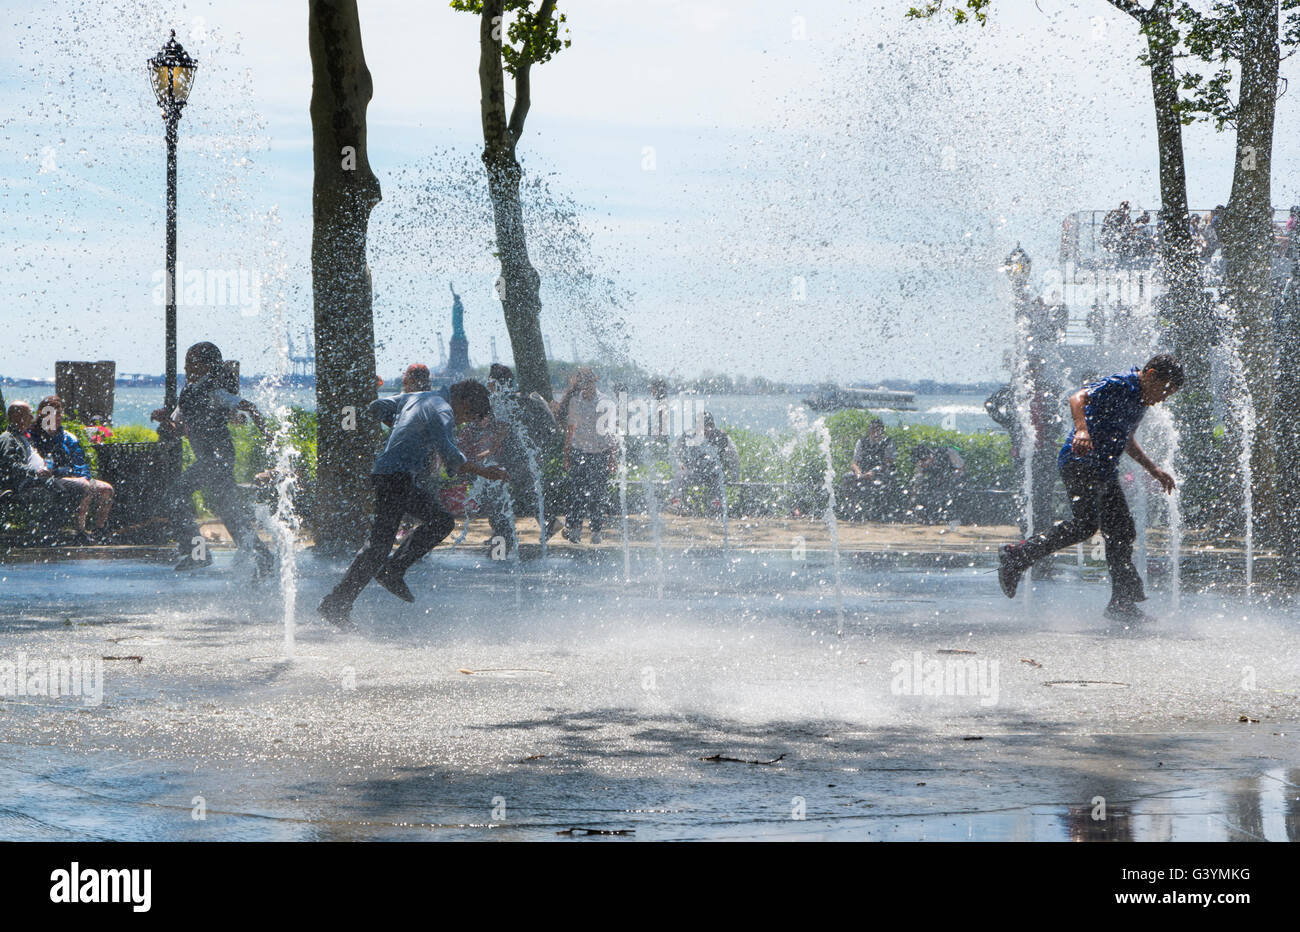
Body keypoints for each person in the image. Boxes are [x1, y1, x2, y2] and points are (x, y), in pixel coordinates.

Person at [997, 354, 1183, 622]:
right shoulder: (1122, 383)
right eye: (1164, 390)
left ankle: (1122, 603)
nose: (1163, 398)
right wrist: (1081, 430)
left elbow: (1126, 437)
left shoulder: (1139, 400)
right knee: (1086, 525)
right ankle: (1016, 555)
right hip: (1080, 461)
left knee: (1121, 531)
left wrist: (1152, 468)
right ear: (1151, 374)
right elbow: (1077, 397)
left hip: (1103, 469)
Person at [317, 372, 508, 627]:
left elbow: (377, 407)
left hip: (389, 474)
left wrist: (402, 427)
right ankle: (374, 580)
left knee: (387, 542)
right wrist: (485, 471)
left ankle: (343, 599)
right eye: (469, 417)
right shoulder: (443, 410)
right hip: (396, 477)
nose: (463, 422)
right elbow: (450, 453)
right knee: (427, 527)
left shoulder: (417, 397)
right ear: (463, 403)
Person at [151, 342, 274, 574]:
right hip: (211, 459)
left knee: (176, 495)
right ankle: (263, 556)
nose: (186, 366)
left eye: (191, 361)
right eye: (186, 361)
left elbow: (249, 407)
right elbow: (179, 428)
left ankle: (199, 554)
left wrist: (268, 435)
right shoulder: (188, 392)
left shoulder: (214, 391)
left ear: (206, 366)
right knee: (228, 511)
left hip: (217, 459)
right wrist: (164, 420)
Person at [483, 363, 561, 550]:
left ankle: (502, 534)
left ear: (495, 382)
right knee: (525, 492)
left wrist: (489, 450)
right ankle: (548, 522)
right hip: (524, 454)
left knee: (496, 491)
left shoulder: (502, 399)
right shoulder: (519, 397)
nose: (488, 384)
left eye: (490, 381)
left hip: (513, 456)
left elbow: (503, 427)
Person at [31, 395, 114, 544]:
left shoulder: (69, 438)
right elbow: (39, 462)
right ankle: (80, 531)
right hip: (53, 479)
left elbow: (80, 463)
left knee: (107, 489)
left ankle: (99, 529)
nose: (58, 418)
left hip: (75, 477)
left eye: (59, 414)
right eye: (53, 415)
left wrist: (83, 476)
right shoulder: (35, 437)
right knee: (85, 487)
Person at [1, 402, 81, 524]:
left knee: (77, 488)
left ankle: (49, 527)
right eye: (29, 414)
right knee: (62, 491)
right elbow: (10, 465)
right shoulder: (8, 438)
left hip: (38, 478)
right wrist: (36, 472)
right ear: (17, 416)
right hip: (23, 484)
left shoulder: (23, 436)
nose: (32, 418)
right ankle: (48, 528)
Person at [562, 367, 615, 544]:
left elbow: (610, 432)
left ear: (594, 381)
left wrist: (612, 457)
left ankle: (596, 530)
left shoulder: (605, 401)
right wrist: (567, 454)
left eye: (588, 382)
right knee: (577, 493)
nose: (586, 385)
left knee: (597, 493)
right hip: (579, 451)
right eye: (583, 382)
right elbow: (571, 429)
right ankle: (575, 529)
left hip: (600, 452)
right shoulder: (575, 402)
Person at [670, 411, 739, 515]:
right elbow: (673, 451)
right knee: (680, 475)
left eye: (708, 427)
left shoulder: (721, 437)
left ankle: (715, 505)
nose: (705, 431)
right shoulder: (688, 436)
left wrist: (734, 475)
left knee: (717, 476)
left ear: (713, 426)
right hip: (693, 472)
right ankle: (676, 503)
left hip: (713, 473)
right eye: (702, 428)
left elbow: (734, 457)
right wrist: (679, 464)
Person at [842, 418, 897, 521]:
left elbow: (888, 462)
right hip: (863, 472)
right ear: (869, 431)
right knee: (847, 477)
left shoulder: (888, 442)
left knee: (882, 482)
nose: (875, 433)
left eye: (878, 430)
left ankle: (879, 513)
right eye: (873, 430)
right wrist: (858, 472)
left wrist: (874, 472)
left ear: (882, 431)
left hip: (880, 473)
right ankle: (850, 509)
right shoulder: (862, 442)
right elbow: (854, 463)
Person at [909, 443, 966, 524]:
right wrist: (914, 496)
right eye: (921, 463)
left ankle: (952, 517)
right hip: (936, 483)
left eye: (925, 462)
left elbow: (962, 468)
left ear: (930, 455)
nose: (923, 465)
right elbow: (918, 481)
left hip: (954, 481)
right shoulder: (920, 464)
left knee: (948, 492)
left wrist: (949, 477)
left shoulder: (948, 452)